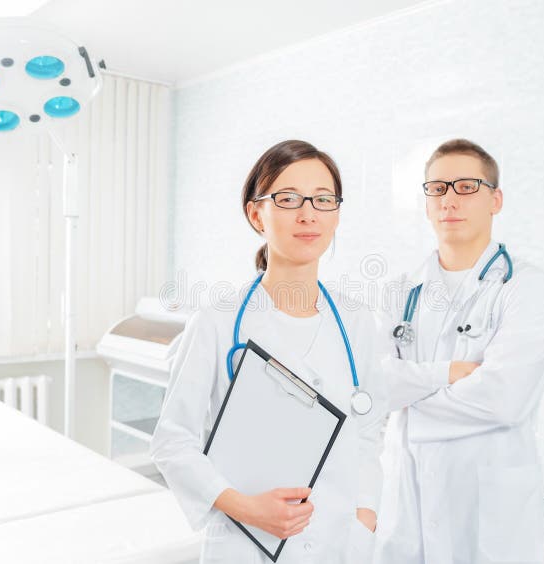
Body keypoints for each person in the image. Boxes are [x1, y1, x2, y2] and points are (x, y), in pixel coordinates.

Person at [150, 139, 386, 564]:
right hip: (244, 542)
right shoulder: (218, 321)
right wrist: (245, 508)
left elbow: (369, 431)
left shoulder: (356, 320)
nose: (308, 214)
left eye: (323, 199)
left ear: (336, 213)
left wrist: (364, 516)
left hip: (338, 542)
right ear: (256, 214)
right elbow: (172, 441)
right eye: (288, 198)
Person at [375, 139, 544, 564]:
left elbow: (503, 399)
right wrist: (447, 374)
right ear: (426, 203)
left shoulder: (527, 288)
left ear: (495, 200)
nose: (449, 200)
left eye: (466, 187)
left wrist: (408, 400)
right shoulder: (400, 291)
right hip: (406, 503)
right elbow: (374, 385)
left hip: (489, 514)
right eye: (437, 188)